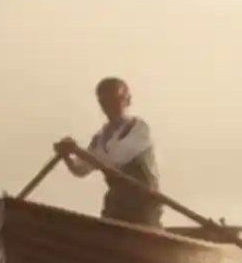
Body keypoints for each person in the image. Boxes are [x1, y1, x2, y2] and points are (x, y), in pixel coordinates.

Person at [54, 77, 162, 227]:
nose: (110, 106)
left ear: (128, 100)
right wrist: (67, 156)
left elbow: (117, 158)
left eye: (116, 100)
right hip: (117, 201)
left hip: (144, 201)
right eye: (105, 102)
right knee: (106, 228)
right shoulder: (100, 138)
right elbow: (81, 169)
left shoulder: (139, 127)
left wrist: (78, 151)